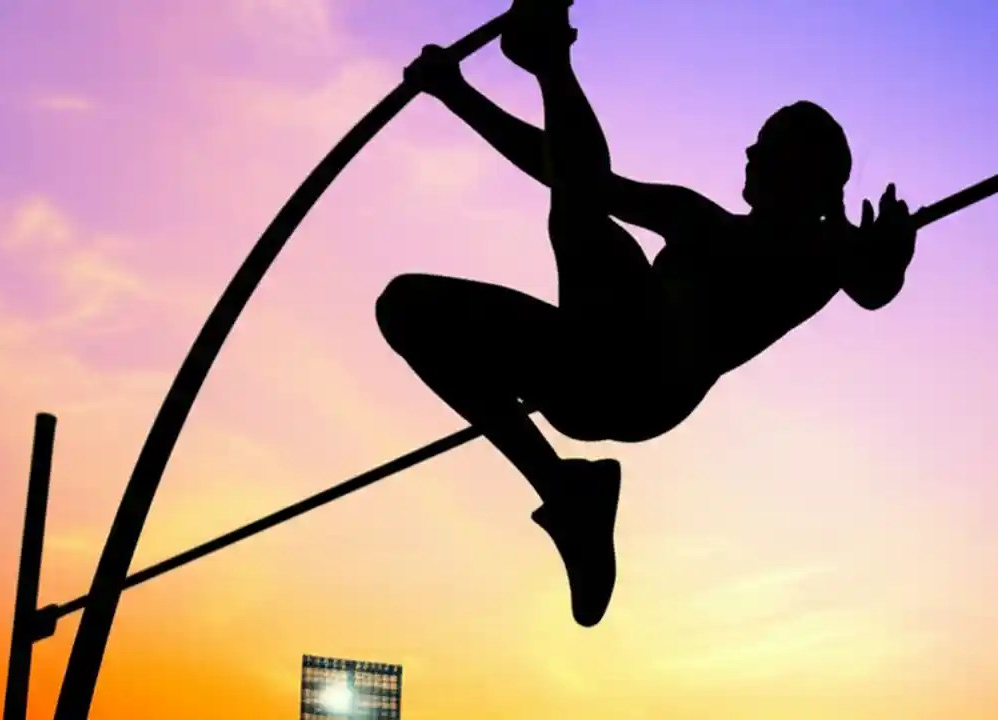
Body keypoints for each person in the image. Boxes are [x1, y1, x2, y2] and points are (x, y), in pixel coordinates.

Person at [378, 0, 917, 627]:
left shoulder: (802, 244)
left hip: (635, 379)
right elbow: (577, 178)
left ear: (804, 175)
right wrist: (458, 96)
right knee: (411, 303)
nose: (749, 149)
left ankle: (552, 59)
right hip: (594, 373)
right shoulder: (728, 229)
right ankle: (565, 490)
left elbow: (868, 284)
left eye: (767, 145)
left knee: (577, 216)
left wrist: (885, 259)